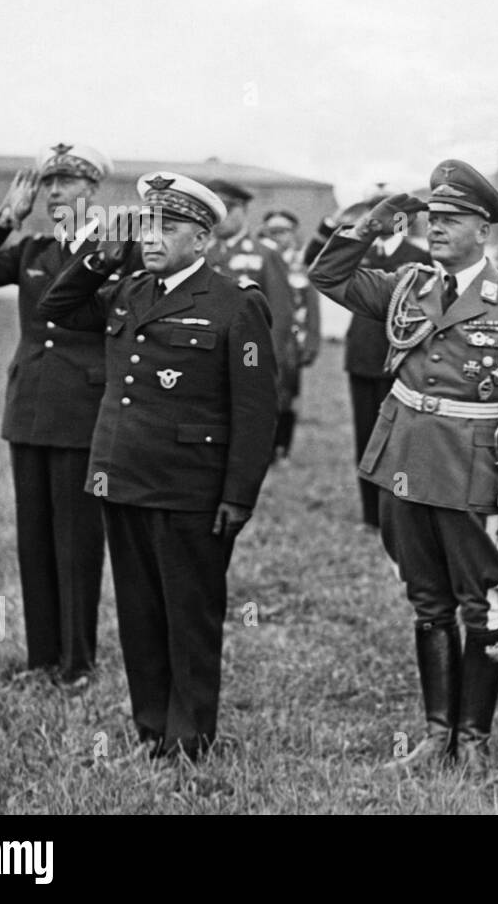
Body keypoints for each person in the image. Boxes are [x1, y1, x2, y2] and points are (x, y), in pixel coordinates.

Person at [308, 160, 498, 770]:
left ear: (483, 231)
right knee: (427, 600)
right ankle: (436, 734)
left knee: (483, 601)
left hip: (475, 467)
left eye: (451, 220)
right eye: (433, 218)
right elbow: (326, 274)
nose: (438, 228)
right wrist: (372, 223)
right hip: (406, 459)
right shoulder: (407, 284)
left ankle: (473, 741)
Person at [38, 172, 278, 761]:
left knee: (188, 616)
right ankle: (152, 731)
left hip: (189, 488)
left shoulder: (235, 304)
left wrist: (239, 496)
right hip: (123, 478)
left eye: (168, 227)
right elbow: (58, 306)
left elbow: (255, 411)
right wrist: (106, 253)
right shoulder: (129, 291)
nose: (153, 236)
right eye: (146, 224)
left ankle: (191, 738)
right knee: (140, 615)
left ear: (202, 240)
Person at [0, 142, 123, 687]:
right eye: (47, 184)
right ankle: (41, 658)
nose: (52, 193)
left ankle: (77, 663)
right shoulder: (32, 251)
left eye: (65, 183)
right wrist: (5, 219)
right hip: (29, 409)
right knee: (35, 538)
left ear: (92, 190)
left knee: (76, 540)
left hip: (81, 411)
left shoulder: (115, 248)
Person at [319, 197, 431, 528]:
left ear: (406, 223)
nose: (384, 225)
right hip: (362, 356)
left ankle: (398, 511)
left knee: (399, 442)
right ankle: (371, 516)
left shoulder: (420, 258)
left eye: (393, 220)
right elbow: (318, 264)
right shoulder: (363, 251)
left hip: (399, 359)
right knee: (365, 438)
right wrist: (342, 223)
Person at [204, 179, 295, 443]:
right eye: (212, 211)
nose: (218, 219)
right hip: (203, 353)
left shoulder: (264, 255)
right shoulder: (201, 253)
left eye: (226, 210)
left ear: (242, 210)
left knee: (242, 429)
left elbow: (280, 314)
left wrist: (267, 364)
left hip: (247, 354)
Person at [262, 209, 323, 460]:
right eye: (271, 232)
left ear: (293, 233)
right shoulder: (258, 259)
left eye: (282, 231)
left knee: (287, 395)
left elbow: (312, 308)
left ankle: (282, 447)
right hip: (259, 338)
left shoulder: (301, 264)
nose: (277, 237)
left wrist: (311, 342)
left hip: (291, 342)